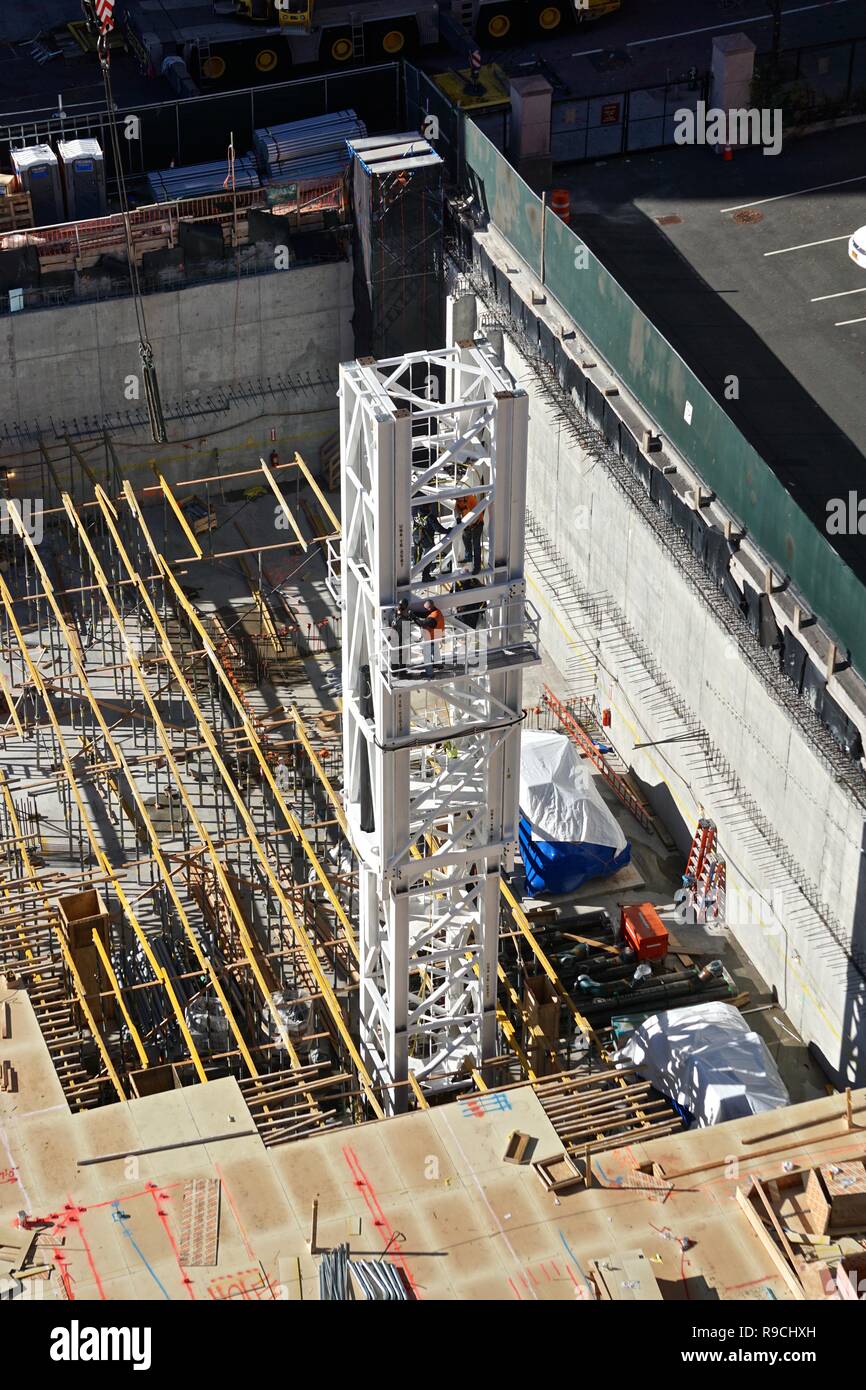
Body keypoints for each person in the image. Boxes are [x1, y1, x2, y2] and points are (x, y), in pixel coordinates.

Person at [414, 502, 449, 582]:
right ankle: (425, 576)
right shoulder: (430, 517)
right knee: (428, 557)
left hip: (417, 538)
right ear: (429, 506)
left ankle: (414, 571)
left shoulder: (417, 514)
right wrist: (448, 530)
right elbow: (439, 529)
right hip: (427, 539)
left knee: (417, 556)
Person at [455, 492, 484, 574]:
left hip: (477, 524)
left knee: (476, 546)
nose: (458, 501)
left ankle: (477, 567)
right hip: (468, 525)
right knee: (465, 538)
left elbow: (476, 514)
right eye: (457, 499)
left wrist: (469, 525)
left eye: (459, 499)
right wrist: (458, 518)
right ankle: (469, 557)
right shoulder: (458, 501)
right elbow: (456, 510)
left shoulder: (470, 499)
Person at [416, 599, 445, 669]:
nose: (425, 610)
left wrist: (414, 618)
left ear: (429, 608)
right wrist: (415, 613)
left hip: (432, 637)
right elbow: (425, 614)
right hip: (438, 634)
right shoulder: (436, 611)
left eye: (425, 609)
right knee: (435, 651)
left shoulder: (433, 617)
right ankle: (438, 664)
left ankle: (429, 672)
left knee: (427, 654)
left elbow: (422, 624)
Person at [389, 598, 411, 677]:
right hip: (401, 642)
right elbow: (407, 635)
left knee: (394, 657)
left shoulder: (392, 615)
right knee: (403, 658)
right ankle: (402, 674)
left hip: (392, 640)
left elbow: (390, 624)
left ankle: (394, 673)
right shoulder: (405, 620)